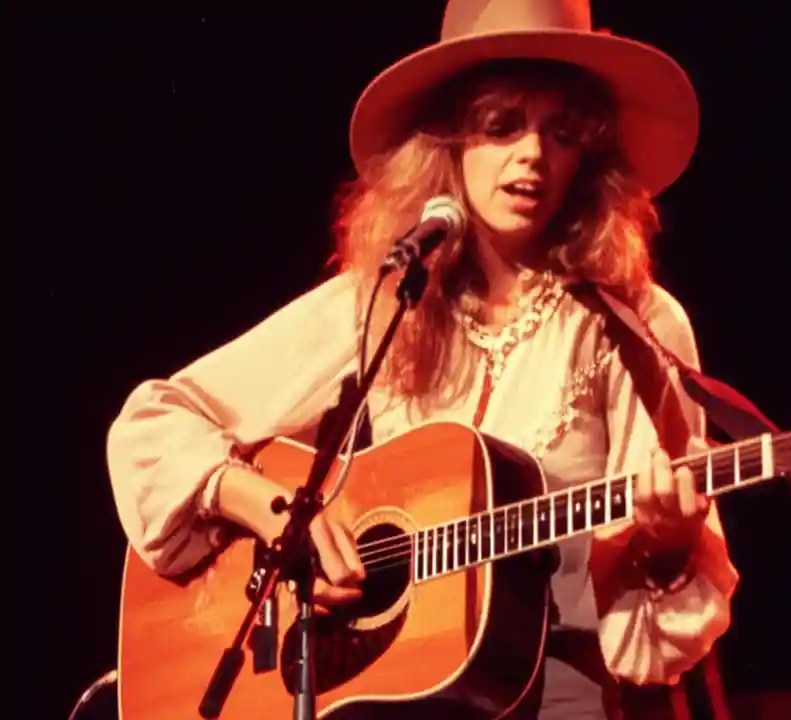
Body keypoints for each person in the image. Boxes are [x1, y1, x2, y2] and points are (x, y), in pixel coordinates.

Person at [104, 0, 737, 718]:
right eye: (502, 126)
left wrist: (667, 544)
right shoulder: (384, 300)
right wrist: (273, 509)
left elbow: (660, 641)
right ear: (448, 143)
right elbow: (158, 418)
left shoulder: (640, 325)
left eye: (560, 134)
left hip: (555, 692)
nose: (532, 154)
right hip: (386, 697)